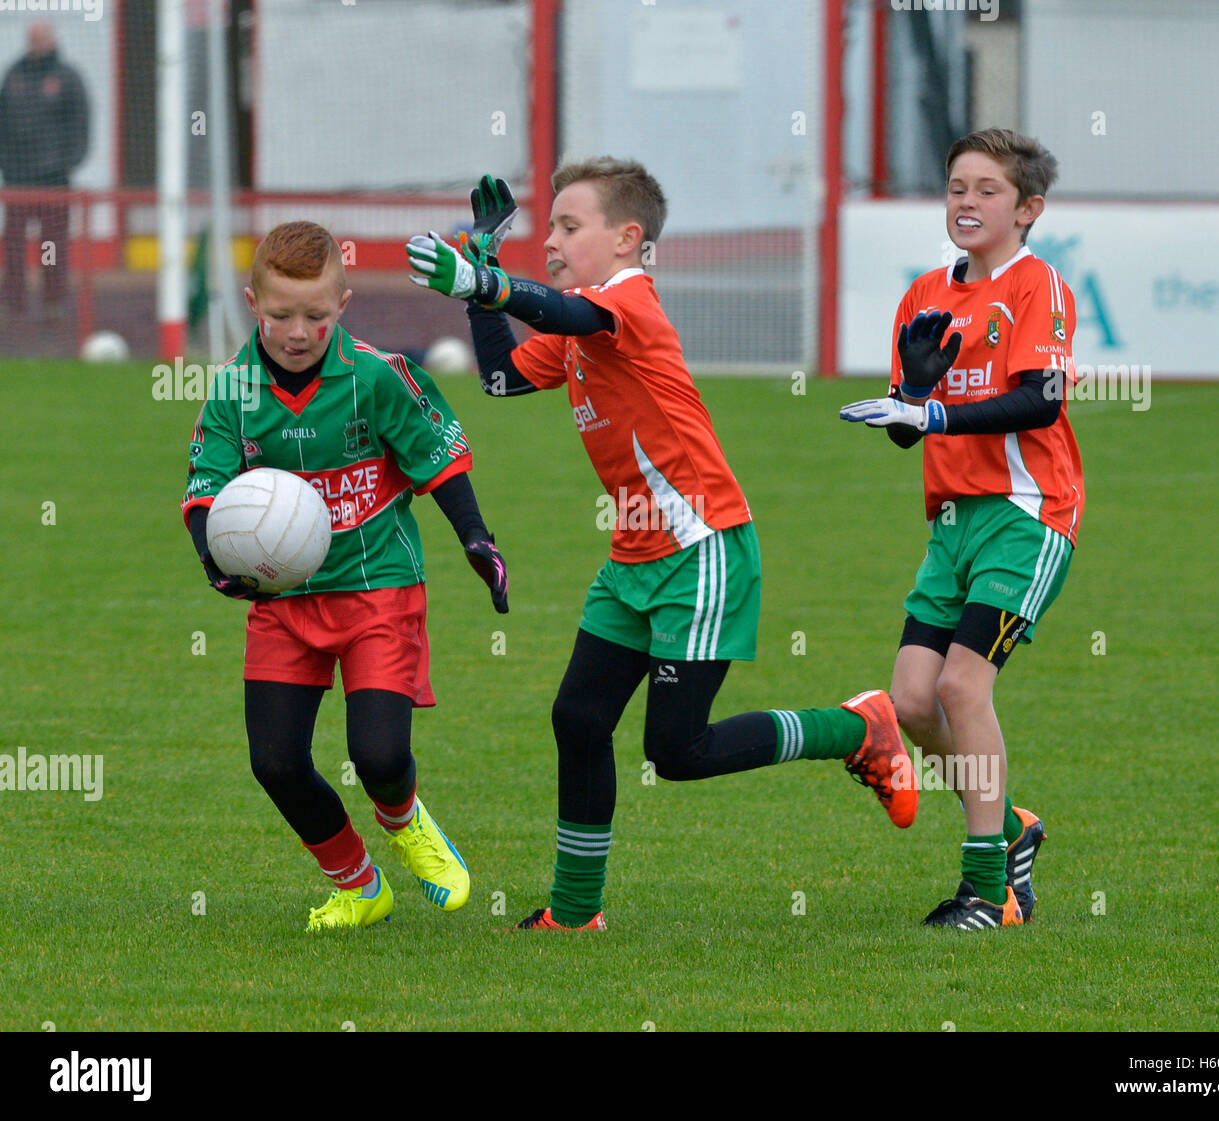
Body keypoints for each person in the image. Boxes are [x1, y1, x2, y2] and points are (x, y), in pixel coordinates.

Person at [406, 160, 916, 932]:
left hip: (701, 549)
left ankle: (858, 727)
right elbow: (503, 378)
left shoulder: (627, 301)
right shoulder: (578, 320)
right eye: (549, 227)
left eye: (569, 226)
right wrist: (480, 277)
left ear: (627, 239)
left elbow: (564, 313)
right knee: (579, 718)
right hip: (634, 559)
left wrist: (487, 284)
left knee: (676, 750)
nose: (550, 241)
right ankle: (575, 912)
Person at [182, 221, 509, 931]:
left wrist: (476, 538)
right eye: (280, 315)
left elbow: (437, 456)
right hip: (281, 598)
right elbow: (205, 488)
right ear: (252, 303)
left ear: (343, 305)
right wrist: (214, 559)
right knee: (275, 762)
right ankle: (360, 886)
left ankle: (406, 819)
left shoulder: (376, 376)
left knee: (379, 755)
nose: (298, 333)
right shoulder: (232, 389)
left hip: (377, 586)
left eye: (317, 316)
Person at [839, 128, 1084, 929]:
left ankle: (989, 891)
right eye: (956, 188)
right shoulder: (923, 293)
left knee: (960, 686)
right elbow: (905, 430)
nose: (967, 202)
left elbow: (1041, 400)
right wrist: (912, 393)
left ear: (1028, 208)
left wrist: (934, 410)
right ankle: (1009, 824)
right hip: (950, 522)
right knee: (913, 700)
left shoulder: (1038, 285)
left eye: (987, 190)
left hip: (1026, 514)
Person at [0, 21, 89, 317]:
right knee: (13, 244)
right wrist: (6, 163)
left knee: (52, 244)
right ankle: (13, 302)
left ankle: (53, 302)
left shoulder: (67, 77)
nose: (36, 43)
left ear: (52, 39)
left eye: (41, 37)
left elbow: (80, 122)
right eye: (32, 38)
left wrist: (68, 161)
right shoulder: (14, 76)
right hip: (17, 179)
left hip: (53, 180)